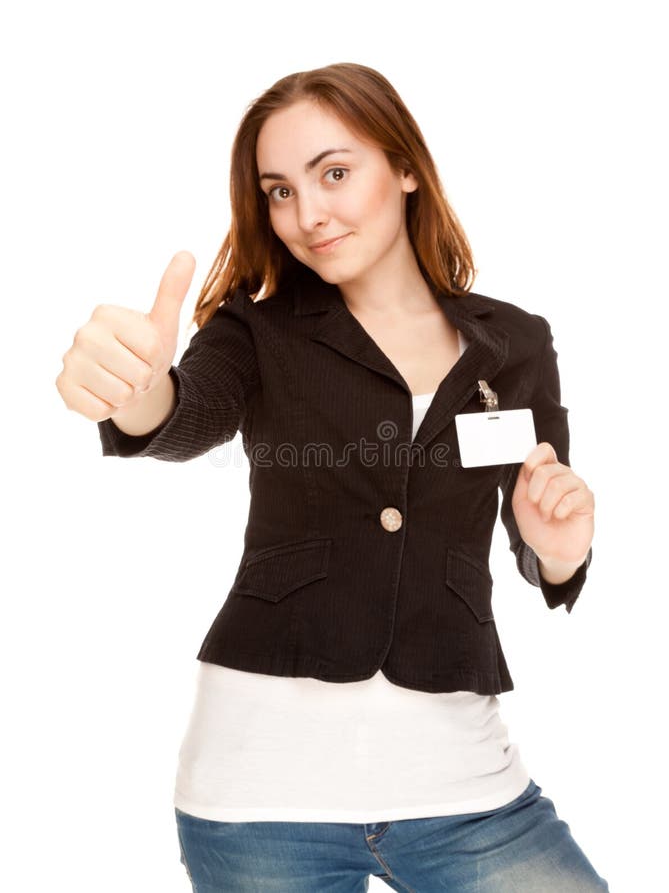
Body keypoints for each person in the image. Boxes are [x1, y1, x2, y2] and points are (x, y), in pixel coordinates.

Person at [55, 63, 608, 891]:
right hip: (258, 802)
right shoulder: (255, 331)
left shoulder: (515, 343)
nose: (307, 214)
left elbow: (538, 537)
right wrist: (138, 396)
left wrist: (558, 550)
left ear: (407, 167)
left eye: (334, 174)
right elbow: (184, 413)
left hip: (470, 796)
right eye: (278, 191)